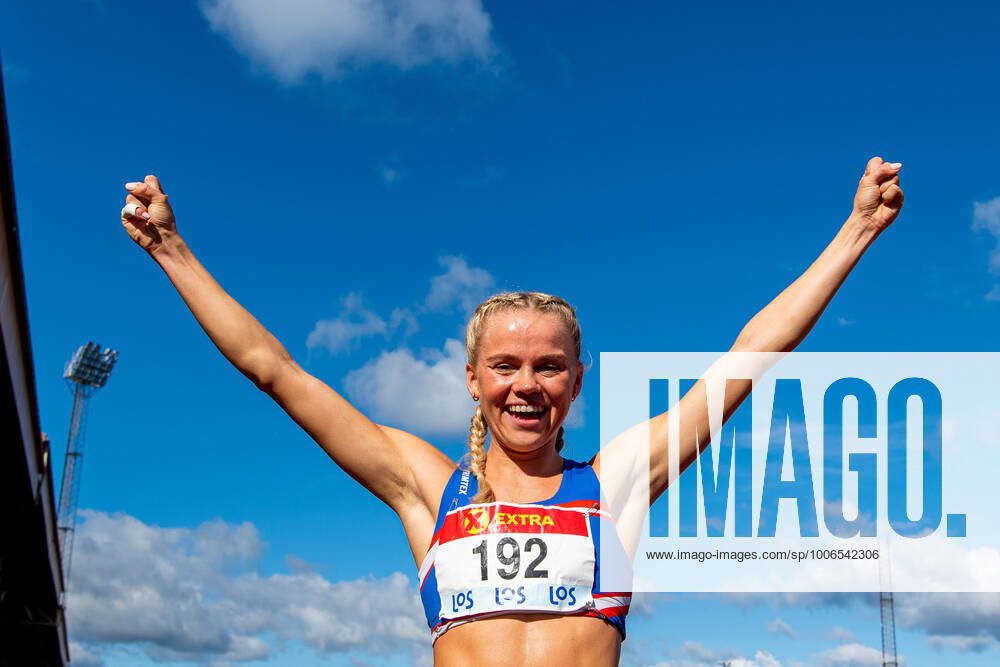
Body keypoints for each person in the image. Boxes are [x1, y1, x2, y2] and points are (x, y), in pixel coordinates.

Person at [119, 156, 904, 666]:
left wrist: (857, 230)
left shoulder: (617, 482)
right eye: (506, 365)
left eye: (549, 366)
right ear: (472, 378)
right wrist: (173, 252)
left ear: (576, 381)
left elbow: (747, 359)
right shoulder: (427, 487)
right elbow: (275, 371)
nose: (527, 384)